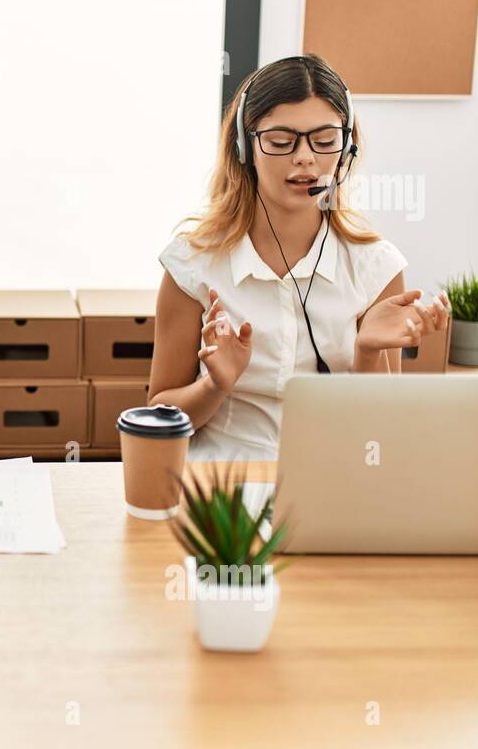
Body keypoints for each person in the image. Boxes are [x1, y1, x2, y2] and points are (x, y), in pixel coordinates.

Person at [149, 54, 449, 460]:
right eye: (280, 142)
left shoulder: (375, 266)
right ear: (244, 147)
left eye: (325, 141)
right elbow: (157, 416)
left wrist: (367, 351)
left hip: (332, 481)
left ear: (346, 149)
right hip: (220, 490)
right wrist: (215, 385)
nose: (305, 158)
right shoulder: (192, 264)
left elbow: (378, 433)